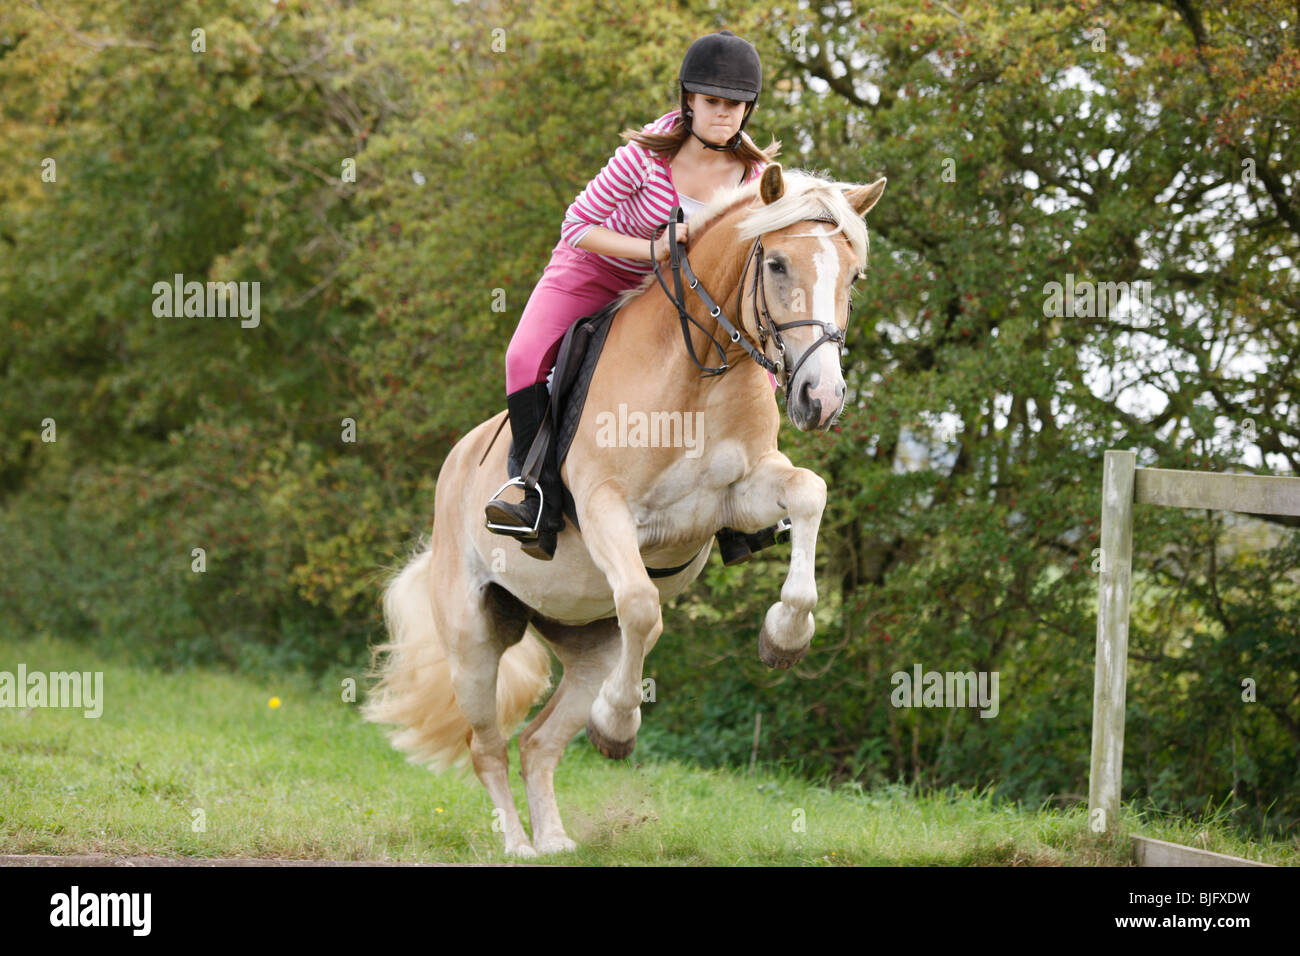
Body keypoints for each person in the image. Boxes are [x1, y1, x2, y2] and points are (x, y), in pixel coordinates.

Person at [486, 29, 787, 562]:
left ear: (750, 108)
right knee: (523, 356)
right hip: (597, 268)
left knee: (759, 364)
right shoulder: (641, 159)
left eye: (735, 104)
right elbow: (576, 224)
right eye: (712, 102)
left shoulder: (755, 176)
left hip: (679, 295)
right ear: (688, 101)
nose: (723, 114)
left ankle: (745, 508)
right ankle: (534, 492)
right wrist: (652, 250)